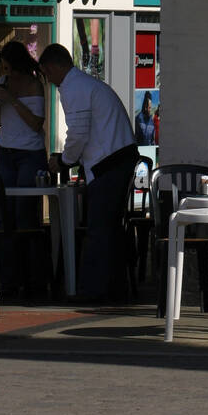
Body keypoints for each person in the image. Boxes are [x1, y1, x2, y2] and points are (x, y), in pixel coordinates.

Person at [38, 43, 138, 304]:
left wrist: (64, 161)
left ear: (54, 66)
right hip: (118, 158)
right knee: (109, 229)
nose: (49, 80)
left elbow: (79, 133)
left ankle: (94, 292)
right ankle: (114, 289)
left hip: (109, 163)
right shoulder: (84, 84)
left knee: (99, 228)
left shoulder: (73, 88)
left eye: (47, 73)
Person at [0, 40, 48, 297]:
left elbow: (36, 124)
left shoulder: (34, 84)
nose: (7, 73)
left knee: (25, 213)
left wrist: (12, 99)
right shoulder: (3, 82)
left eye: (10, 68)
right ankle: (9, 279)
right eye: (4, 68)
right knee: (6, 215)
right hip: (6, 152)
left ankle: (33, 279)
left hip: (29, 154)